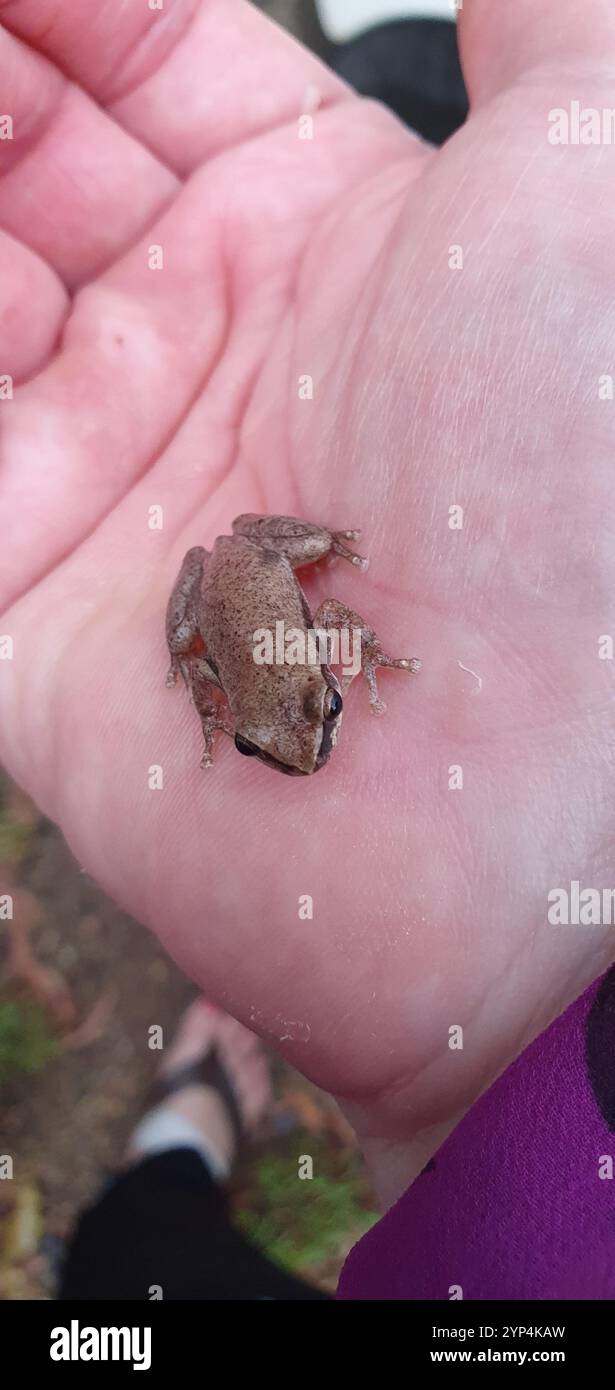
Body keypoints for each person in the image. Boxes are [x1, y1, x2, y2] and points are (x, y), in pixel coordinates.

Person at [1, 0, 614, 1298]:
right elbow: (264, 628)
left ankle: (177, 1143)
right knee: (225, 593)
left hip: (250, 570)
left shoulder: (299, 667)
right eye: (300, 738)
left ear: (314, 698)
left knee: (270, 561)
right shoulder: (265, 683)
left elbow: (305, 614)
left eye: (309, 729)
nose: (304, 748)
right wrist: (218, 674)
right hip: (224, 586)